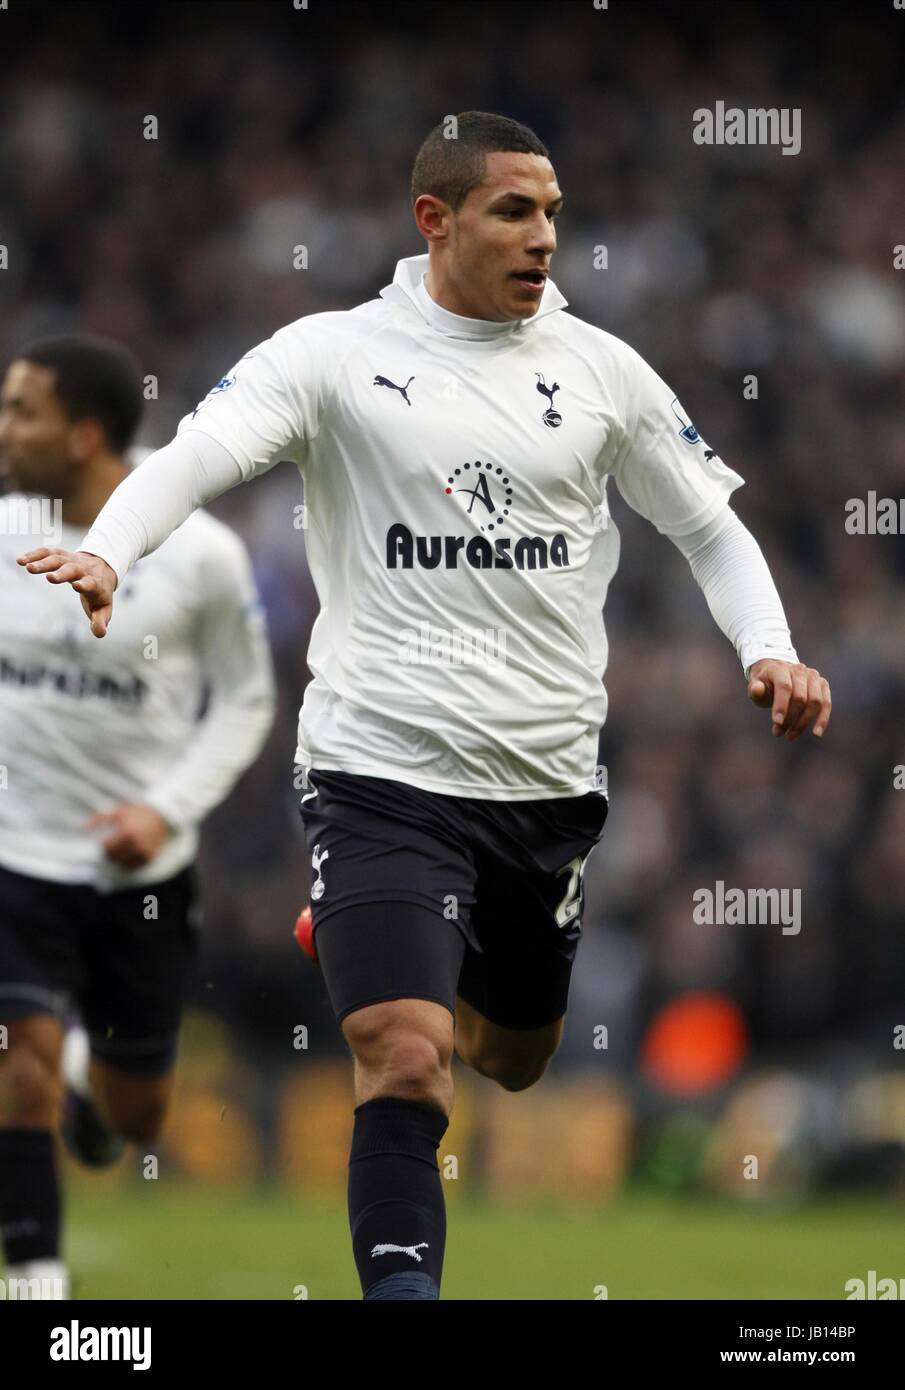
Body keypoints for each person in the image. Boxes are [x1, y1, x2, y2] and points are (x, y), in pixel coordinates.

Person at [17, 113, 831, 1301]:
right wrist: (110, 550)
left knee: (510, 1055)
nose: (544, 235)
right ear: (433, 221)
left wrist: (770, 647)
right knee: (404, 1055)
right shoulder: (332, 356)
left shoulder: (600, 372)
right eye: (514, 210)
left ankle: (379, 932)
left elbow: (706, 525)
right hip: (377, 766)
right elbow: (197, 452)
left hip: (543, 784)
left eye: (552, 212)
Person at [1, 335, 276, 1298]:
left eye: (21, 410)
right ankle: (36, 1283)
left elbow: (246, 702)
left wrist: (163, 812)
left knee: (139, 1118)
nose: (4, 430)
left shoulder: (199, 555)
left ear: (82, 435)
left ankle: (92, 1074)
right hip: (15, 858)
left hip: (137, 879)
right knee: (15, 1070)